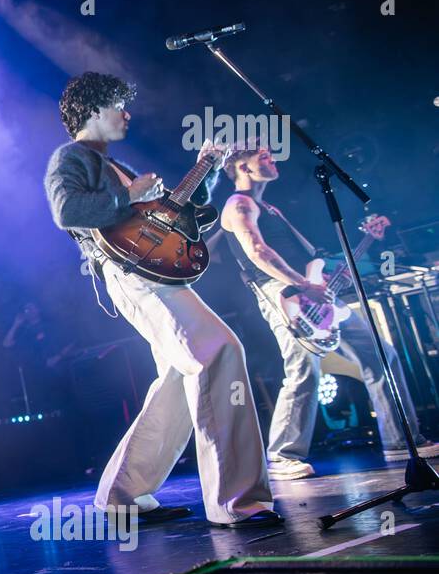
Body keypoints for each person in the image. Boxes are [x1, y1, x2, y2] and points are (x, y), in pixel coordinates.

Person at [43, 71, 278, 528]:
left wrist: (205, 166)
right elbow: (66, 211)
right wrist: (128, 194)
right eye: (119, 106)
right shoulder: (70, 157)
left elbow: (181, 220)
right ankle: (237, 501)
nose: (128, 114)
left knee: (176, 377)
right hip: (132, 275)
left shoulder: (119, 166)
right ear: (94, 111)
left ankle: (122, 496)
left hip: (153, 272)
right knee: (218, 351)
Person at [219, 144, 439, 478]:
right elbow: (258, 252)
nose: (272, 159)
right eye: (262, 157)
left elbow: (316, 259)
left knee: (382, 355)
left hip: (315, 291)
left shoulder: (272, 209)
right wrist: (303, 284)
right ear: (243, 168)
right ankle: (281, 455)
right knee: (304, 370)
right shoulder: (239, 205)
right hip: (284, 293)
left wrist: (367, 241)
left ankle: (401, 440)